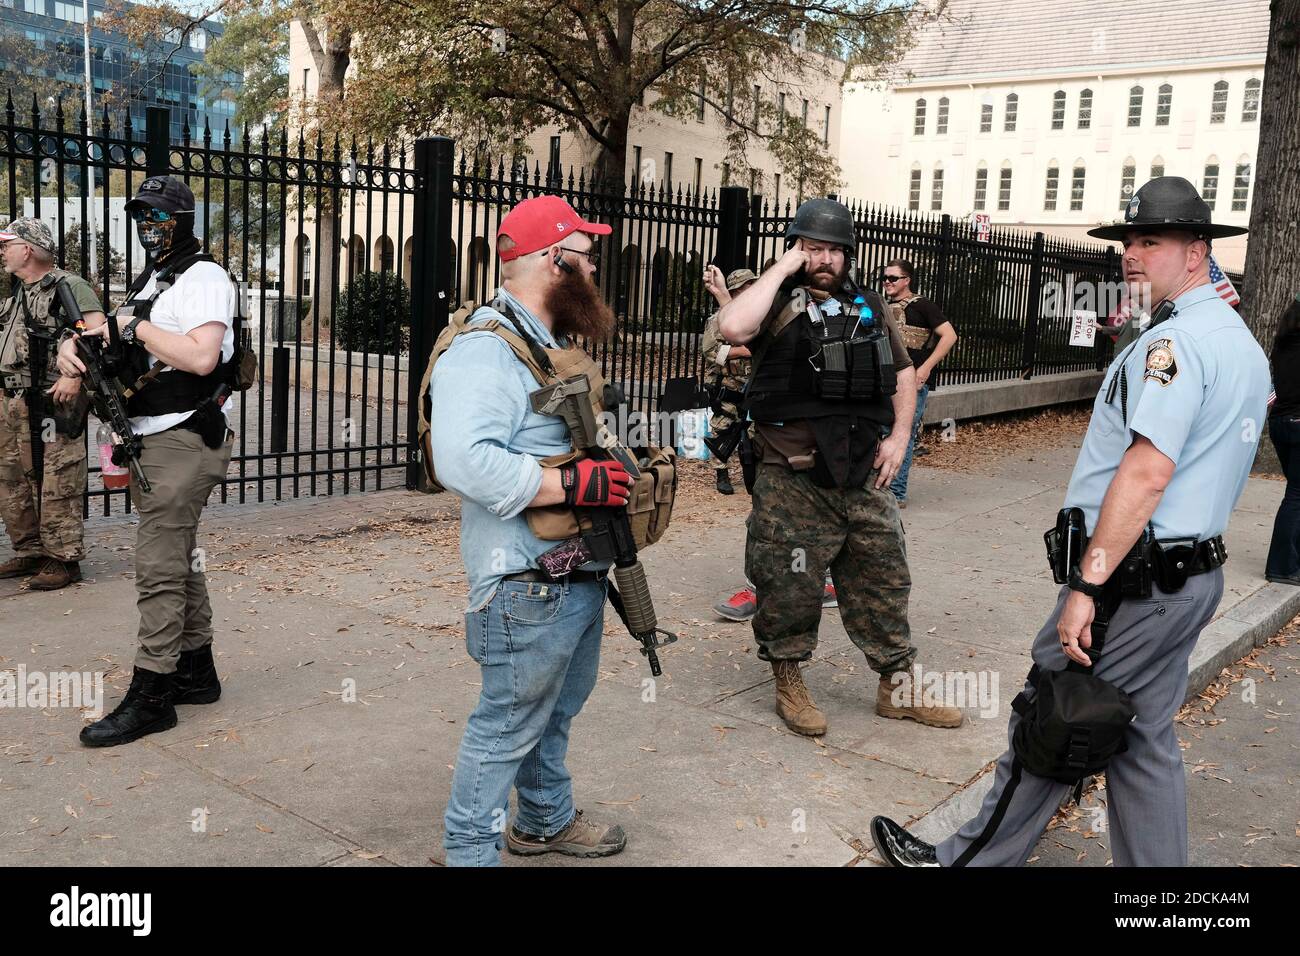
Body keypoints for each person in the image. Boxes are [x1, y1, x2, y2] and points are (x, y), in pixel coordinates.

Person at [871, 176, 1268, 867]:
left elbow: (1147, 472)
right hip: (1187, 576)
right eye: (1129, 241)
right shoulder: (1236, 341)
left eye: (1153, 240)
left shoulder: (1173, 348)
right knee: (1141, 742)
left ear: (1197, 251)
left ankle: (961, 862)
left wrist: (1087, 586)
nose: (1133, 254)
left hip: (1131, 582)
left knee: (1054, 719)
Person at [430, 194, 632, 866]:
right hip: (525, 583)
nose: (594, 271)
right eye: (586, 258)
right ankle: (470, 855)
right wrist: (571, 485)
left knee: (552, 711)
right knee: (505, 728)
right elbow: (462, 459)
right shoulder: (487, 348)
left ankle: (543, 820)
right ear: (554, 261)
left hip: (569, 571)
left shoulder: (540, 342)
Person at [717, 198, 963, 736]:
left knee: (884, 579)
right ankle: (789, 679)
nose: (823, 258)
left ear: (848, 254)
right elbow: (732, 328)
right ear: (796, 248)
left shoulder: (870, 304)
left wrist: (900, 436)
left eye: (833, 249)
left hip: (862, 472)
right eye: (812, 247)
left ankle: (896, 687)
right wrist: (782, 268)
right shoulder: (773, 303)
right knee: (789, 585)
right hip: (792, 477)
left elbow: (901, 373)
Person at [62, 175, 240, 747]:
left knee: (159, 567)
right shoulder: (155, 279)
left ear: (185, 220)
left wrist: (133, 324)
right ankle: (196, 671)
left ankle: (153, 693)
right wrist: (80, 344)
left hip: (184, 437)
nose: (148, 226)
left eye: (159, 216)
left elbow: (201, 355)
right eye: (140, 216)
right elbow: (114, 339)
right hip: (153, 440)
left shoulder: (204, 278)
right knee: (178, 554)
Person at [0, 218, 102, 590]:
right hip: (13, 400)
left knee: (58, 478)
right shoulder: (19, 291)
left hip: (51, 401)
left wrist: (73, 376)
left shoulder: (68, 286)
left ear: (26, 249)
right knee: (13, 480)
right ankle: (30, 550)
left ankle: (63, 559)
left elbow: (95, 334)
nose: (2, 251)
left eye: (6, 244)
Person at [882, 258, 957, 506]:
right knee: (882, 431)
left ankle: (897, 492)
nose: (887, 282)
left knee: (904, 434)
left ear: (907, 280)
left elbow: (949, 336)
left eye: (893, 278)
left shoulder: (923, 305)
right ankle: (881, 487)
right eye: (885, 277)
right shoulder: (882, 305)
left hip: (911, 383)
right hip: (885, 381)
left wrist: (925, 368)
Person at [701, 265, 757, 496]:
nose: (752, 288)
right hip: (728, 382)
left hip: (753, 382)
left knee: (754, 430)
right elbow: (710, 352)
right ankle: (721, 471)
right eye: (747, 286)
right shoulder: (718, 319)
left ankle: (752, 470)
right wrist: (743, 351)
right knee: (723, 426)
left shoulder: (757, 316)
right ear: (734, 291)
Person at [1265, 294, 1300, 585]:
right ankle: (1283, 567)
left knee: (1297, 492)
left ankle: (1291, 559)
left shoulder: (1282, 345)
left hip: (1280, 422)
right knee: (1297, 495)